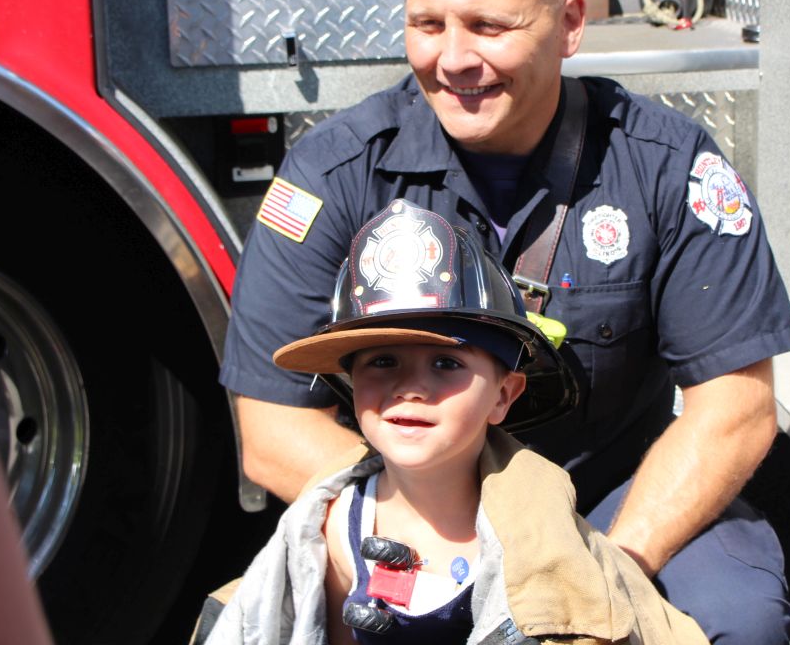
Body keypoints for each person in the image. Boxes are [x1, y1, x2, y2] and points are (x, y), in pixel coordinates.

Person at [220, 0, 790, 643]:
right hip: (418, 499)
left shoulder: (670, 168)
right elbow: (270, 427)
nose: (454, 58)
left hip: (620, 501)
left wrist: (600, 565)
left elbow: (736, 408)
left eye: (489, 26)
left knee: (734, 621)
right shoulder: (334, 175)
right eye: (427, 25)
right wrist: (446, 528)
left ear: (569, 25)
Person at [204, 199, 707, 645]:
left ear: (504, 395)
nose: (410, 388)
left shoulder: (546, 539)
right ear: (351, 388)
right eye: (382, 362)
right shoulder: (338, 525)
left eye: (446, 363)